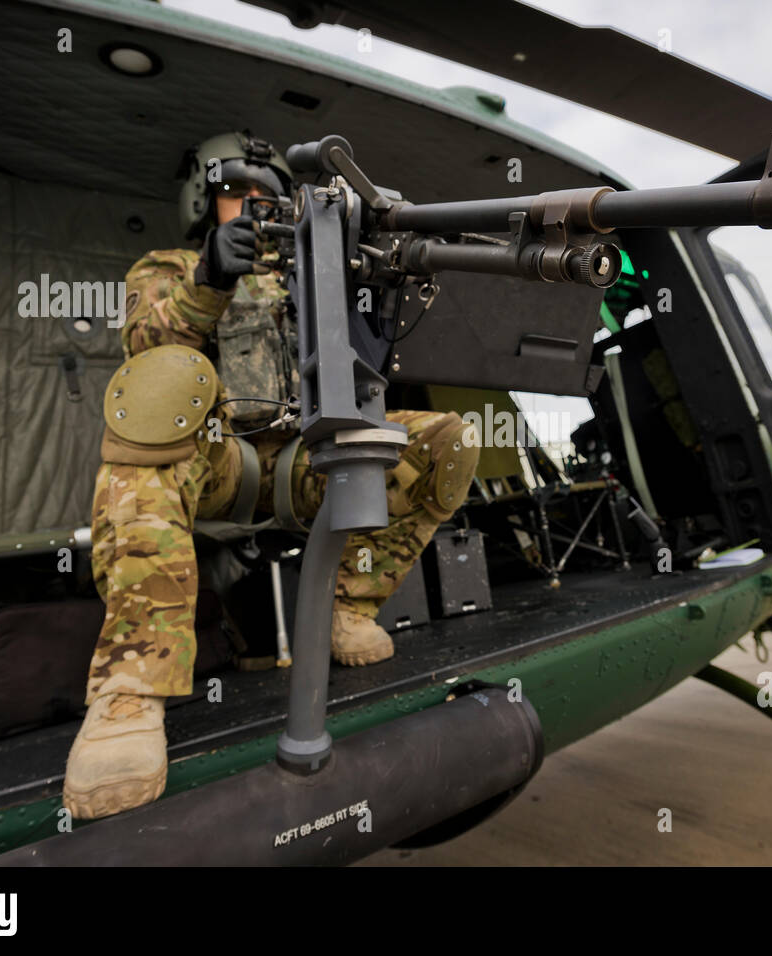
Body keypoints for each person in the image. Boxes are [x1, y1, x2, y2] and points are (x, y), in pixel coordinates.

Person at [62, 131, 479, 820]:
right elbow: (145, 344)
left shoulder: (313, 273)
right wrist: (209, 281)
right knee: (159, 389)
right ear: (204, 200)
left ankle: (348, 605)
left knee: (445, 442)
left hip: (304, 464)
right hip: (219, 461)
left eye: (269, 196)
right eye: (236, 193)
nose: (255, 206)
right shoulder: (166, 265)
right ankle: (130, 687)